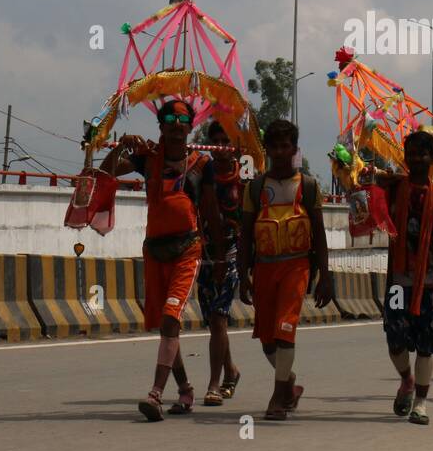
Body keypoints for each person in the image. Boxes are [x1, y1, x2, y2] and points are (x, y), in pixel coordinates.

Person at [106, 99, 224, 422]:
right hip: (155, 252)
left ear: (190, 127)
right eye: (169, 118)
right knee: (165, 328)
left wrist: (220, 260)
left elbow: (212, 214)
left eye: (182, 119)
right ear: (160, 126)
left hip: (188, 250)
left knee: (171, 319)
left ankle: (155, 394)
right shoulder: (148, 159)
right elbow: (106, 173)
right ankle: (185, 389)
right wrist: (121, 148)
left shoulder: (202, 164)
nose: (175, 124)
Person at [237, 119, 333, 420]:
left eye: (285, 146)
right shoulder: (254, 188)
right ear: (267, 149)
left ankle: (278, 397)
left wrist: (325, 277)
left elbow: (319, 233)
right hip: (264, 269)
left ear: (294, 148)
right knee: (267, 341)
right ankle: (289, 382)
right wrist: (243, 275)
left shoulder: (308, 186)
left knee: (285, 331)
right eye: (274, 146)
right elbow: (245, 236)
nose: (280, 152)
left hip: (297, 266)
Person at [373, 130, 433, 425]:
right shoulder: (395, 189)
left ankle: (421, 402)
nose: (416, 160)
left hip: (430, 281)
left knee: (425, 345)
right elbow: (368, 201)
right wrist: (372, 179)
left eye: (422, 154)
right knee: (395, 340)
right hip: (398, 280)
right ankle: (406, 380)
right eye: (411, 155)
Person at [196, 120, 242, 405]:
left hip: (232, 253)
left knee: (219, 317)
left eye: (227, 142)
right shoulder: (201, 173)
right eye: (217, 142)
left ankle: (214, 383)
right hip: (205, 253)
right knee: (214, 322)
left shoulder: (246, 175)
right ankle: (232, 371)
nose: (222, 148)